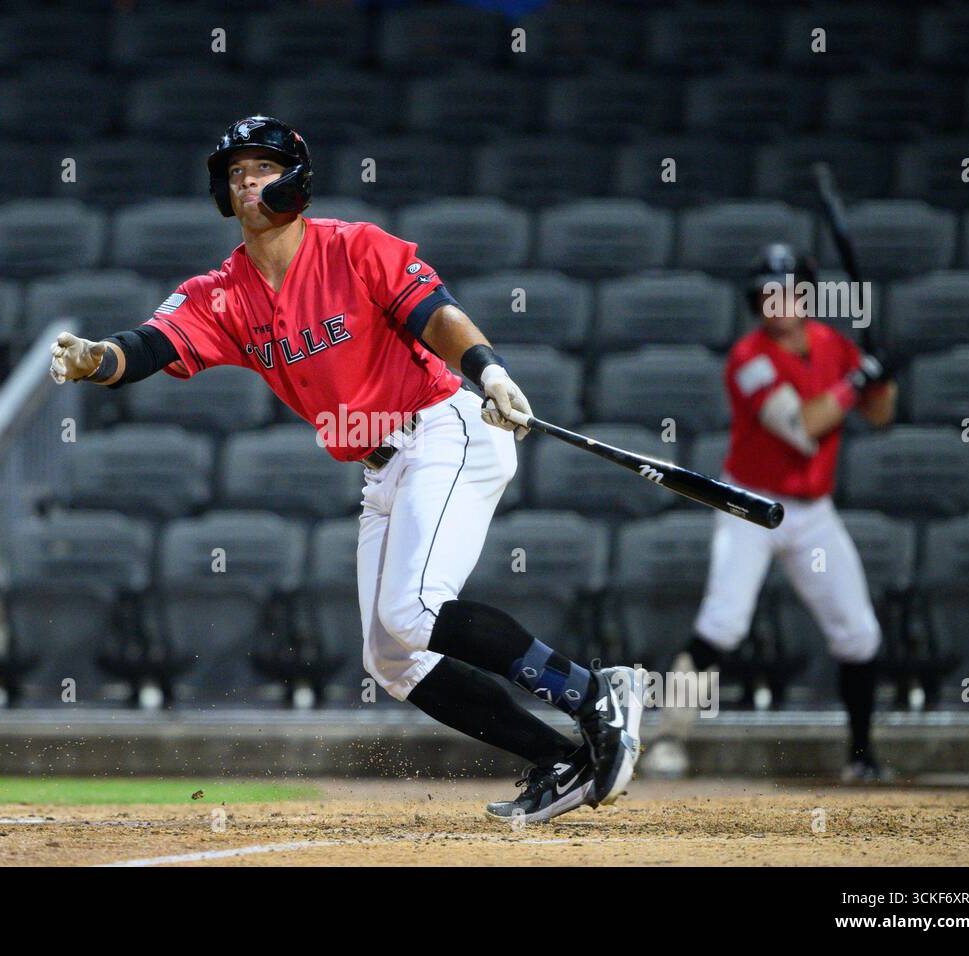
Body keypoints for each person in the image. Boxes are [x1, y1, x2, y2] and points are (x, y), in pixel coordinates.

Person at [49, 115, 644, 823]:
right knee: (393, 659)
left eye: (262, 169)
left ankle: (592, 694)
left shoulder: (353, 247)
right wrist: (97, 360)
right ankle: (557, 758)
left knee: (415, 609)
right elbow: (148, 345)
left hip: (441, 427)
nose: (247, 182)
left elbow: (436, 314)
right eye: (237, 173)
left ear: (296, 178)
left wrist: (490, 371)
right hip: (380, 468)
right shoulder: (223, 293)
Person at [654, 244, 897, 783]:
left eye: (787, 291)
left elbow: (881, 416)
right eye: (768, 292)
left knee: (858, 633)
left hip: (813, 511)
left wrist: (882, 377)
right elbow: (802, 428)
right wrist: (858, 381)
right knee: (722, 624)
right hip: (750, 504)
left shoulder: (834, 347)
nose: (778, 302)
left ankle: (861, 755)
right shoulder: (748, 359)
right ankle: (669, 738)